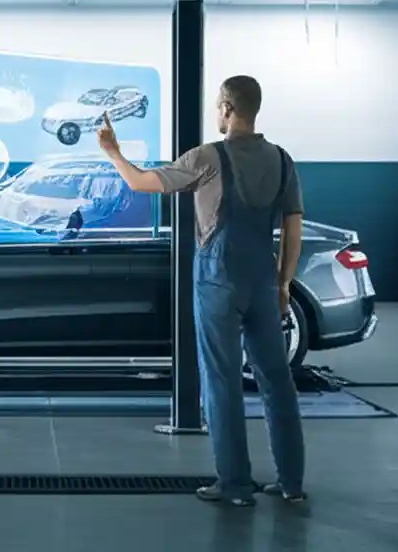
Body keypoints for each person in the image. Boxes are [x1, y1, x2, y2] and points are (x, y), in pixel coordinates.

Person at [96, 75, 306, 508]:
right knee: (277, 381)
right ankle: (291, 483)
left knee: (222, 382)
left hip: (217, 281)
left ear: (227, 108)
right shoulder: (283, 161)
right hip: (264, 283)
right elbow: (292, 225)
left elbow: (141, 182)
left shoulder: (208, 158)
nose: (217, 113)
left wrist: (113, 152)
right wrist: (283, 282)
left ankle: (234, 486)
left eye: (217, 106)